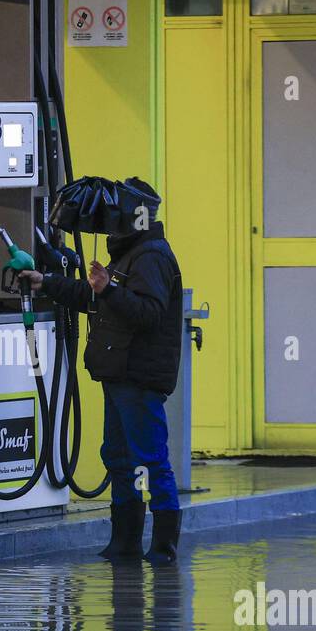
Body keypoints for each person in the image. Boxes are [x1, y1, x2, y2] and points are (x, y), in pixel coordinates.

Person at [25, 177, 184, 565]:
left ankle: (163, 546)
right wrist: (48, 282)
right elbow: (94, 298)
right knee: (118, 456)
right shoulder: (130, 252)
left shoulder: (151, 257)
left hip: (137, 376)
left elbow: (148, 314)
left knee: (149, 457)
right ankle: (124, 541)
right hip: (118, 372)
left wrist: (108, 289)